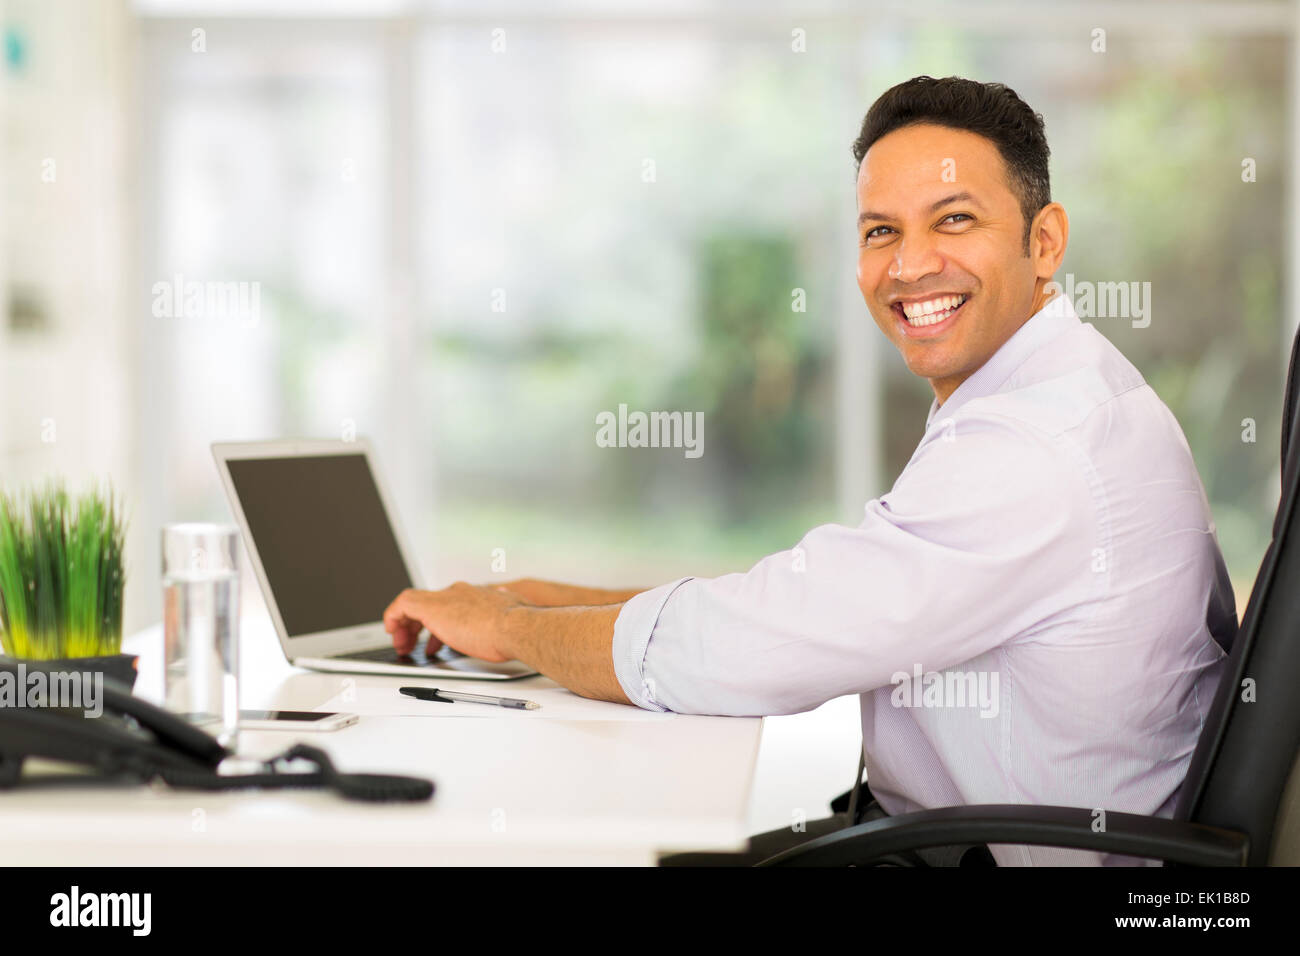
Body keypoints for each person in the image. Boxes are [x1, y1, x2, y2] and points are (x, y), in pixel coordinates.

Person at [382, 75, 1238, 866]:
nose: (908, 266)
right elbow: (818, 599)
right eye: (880, 232)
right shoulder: (1061, 391)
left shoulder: (1033, 447)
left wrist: (513, 632)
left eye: (953, 220)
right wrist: (545, 604)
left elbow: (759, 647)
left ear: (1042, 240)